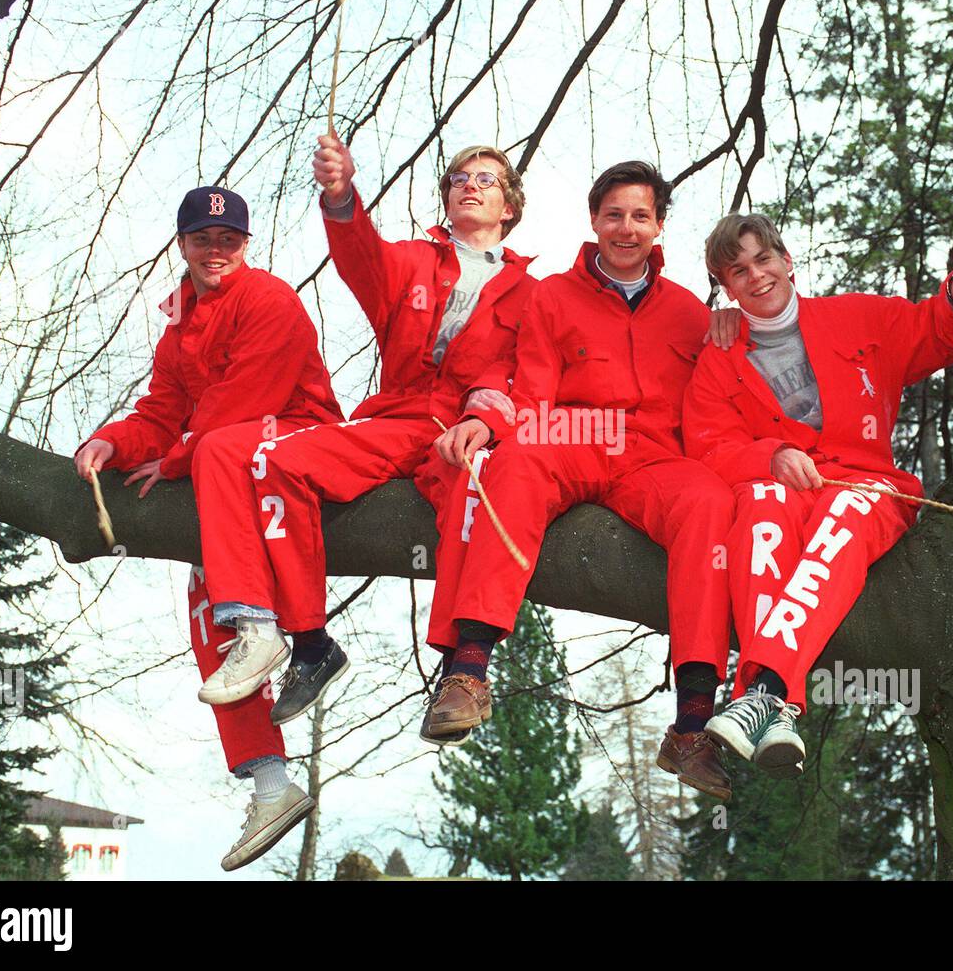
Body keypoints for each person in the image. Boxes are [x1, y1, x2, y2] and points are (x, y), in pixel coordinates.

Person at [190, 135, 535, 748]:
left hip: (467, 433)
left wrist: (488, 420)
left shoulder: (536, 291)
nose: (470, 184)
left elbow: (526, 373)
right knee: (275, 461)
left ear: (509, 204)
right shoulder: (413, 261)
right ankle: (310, 641)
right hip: (396, 419)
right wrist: (342, 194)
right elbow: (360, 256)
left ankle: (464, 672)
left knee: (480, 494)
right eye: (458, 176)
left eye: (486, 177)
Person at [429, 161, 737, 801]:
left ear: (659, 226)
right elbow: (530, 386)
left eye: (641, 216)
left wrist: (732, 330)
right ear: (594, 221)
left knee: (710, 501)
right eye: (614, 215)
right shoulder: (550, 295)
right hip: (568, 435)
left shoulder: (688, 312)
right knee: (513, 463)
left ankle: (692, 727)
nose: (626, 229)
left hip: (652, 454)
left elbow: (722, 395)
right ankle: (469, 669)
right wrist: (490, 422)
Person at [73, 186, 345, 869]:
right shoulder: (180, 327)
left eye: (228, 240)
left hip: (290, 440)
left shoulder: (269, 300)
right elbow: (163, 410)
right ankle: (272, 785)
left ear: (245, 245)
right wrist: (116, 441)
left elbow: (243, 402)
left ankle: (270, 628)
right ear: (183, 245)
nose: (215, 250)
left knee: (225, 447)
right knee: (204, 619)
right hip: (218, 468)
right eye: (202, 239)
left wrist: (174, 457)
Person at [684, 213, 953, 776]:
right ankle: (777, 709)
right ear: (725, 289)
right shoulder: (719, 357)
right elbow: (708, 445)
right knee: (758, 507)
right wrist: (771, 456)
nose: (756, 276)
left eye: (763, 259)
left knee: (843, 514)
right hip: (785, 484)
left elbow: (936, 329)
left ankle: (763, 688)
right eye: (738, 271)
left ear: (787, 261)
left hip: (867, 485)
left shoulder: (858, 316)